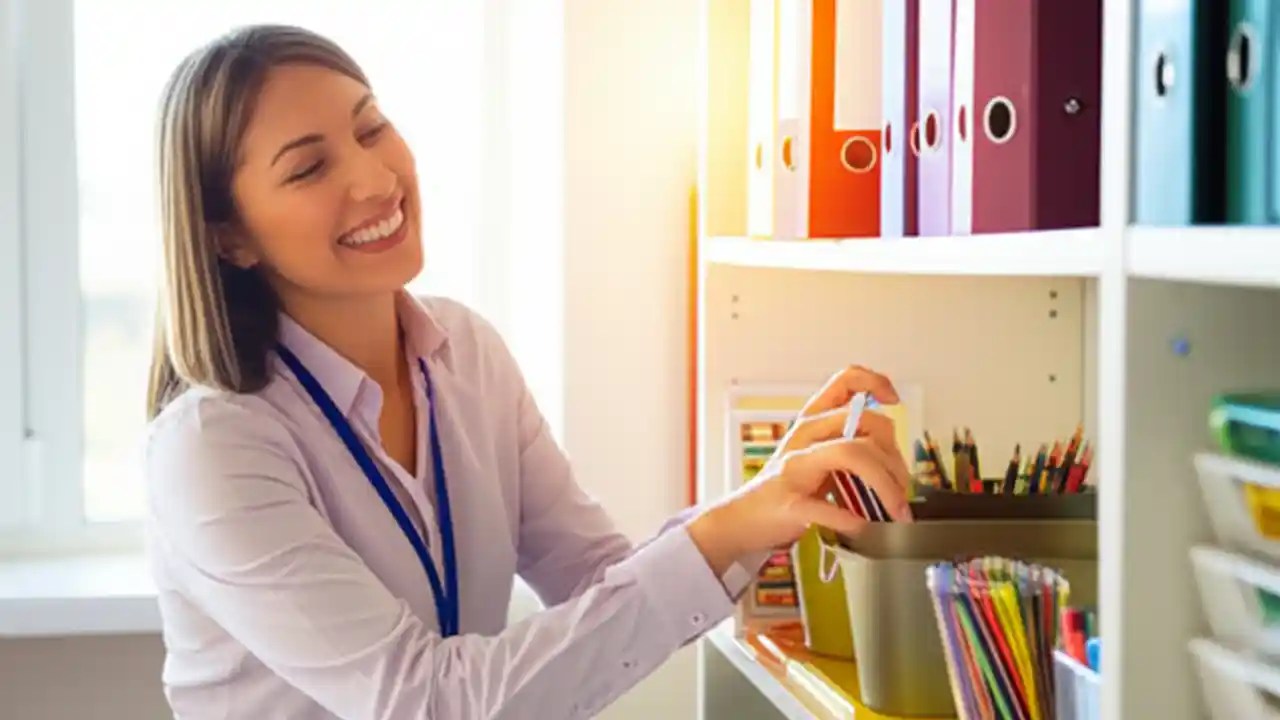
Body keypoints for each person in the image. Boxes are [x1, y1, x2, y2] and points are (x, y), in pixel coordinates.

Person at [143, 23, 912, 720]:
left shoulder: (467, 353)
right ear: (229, 237)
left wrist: (766, 500)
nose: (376, 179)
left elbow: (601, 583)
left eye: (372, 127)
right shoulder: (213, 446)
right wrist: (728, 528)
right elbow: (425, 702)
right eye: (309, 169)